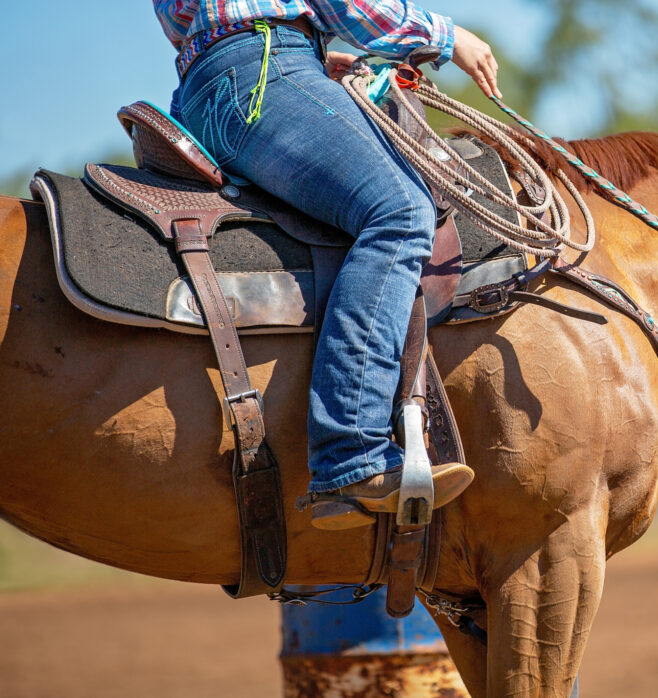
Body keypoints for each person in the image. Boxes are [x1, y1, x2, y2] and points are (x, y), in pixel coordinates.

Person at [152, 1, 500, 529]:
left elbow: (185, 21)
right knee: (402, 212)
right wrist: (449, 38)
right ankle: (351, 453)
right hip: (267, 72)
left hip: (207, 87)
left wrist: (313, 54)